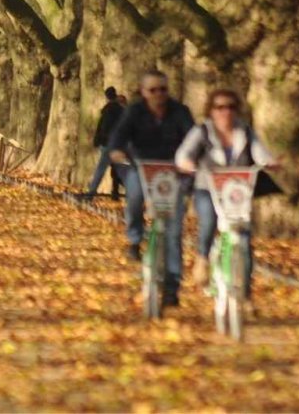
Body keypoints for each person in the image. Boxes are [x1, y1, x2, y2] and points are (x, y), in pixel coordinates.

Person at [107, 70, 196, 307]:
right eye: (153, 90)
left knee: (174, 229)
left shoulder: (180, 112)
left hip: (172, 172)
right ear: (144, 92)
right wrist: (116, 151)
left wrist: (192, 161)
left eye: (163, 89)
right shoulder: (134, 111)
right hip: (142, 166)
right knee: (134, 196)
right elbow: (118, 135)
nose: (159, 94)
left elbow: (193, 138)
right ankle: (135, 239)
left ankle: (172, 286)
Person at [176, 89, 275, 299]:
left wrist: (270, 163)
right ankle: (202, 259)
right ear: (211, 110)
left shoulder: (245, 132)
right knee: (209, 219)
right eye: (220, 107)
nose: (225, 112)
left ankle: (245, 296)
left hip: (236, 193)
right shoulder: (202, 131)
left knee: (244, 237)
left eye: (230, 106)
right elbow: (183, 155)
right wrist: (188, 164)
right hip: (207, 188)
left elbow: (261, 154)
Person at [80, 87, 125, 200]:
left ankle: (91, 193)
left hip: (107, 145)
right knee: (121, 171)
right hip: (116, 145)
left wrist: (98, 140)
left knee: (102, 170)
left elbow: (101, 128)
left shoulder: (106, 110)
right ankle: (132, 194)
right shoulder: (120, 111)